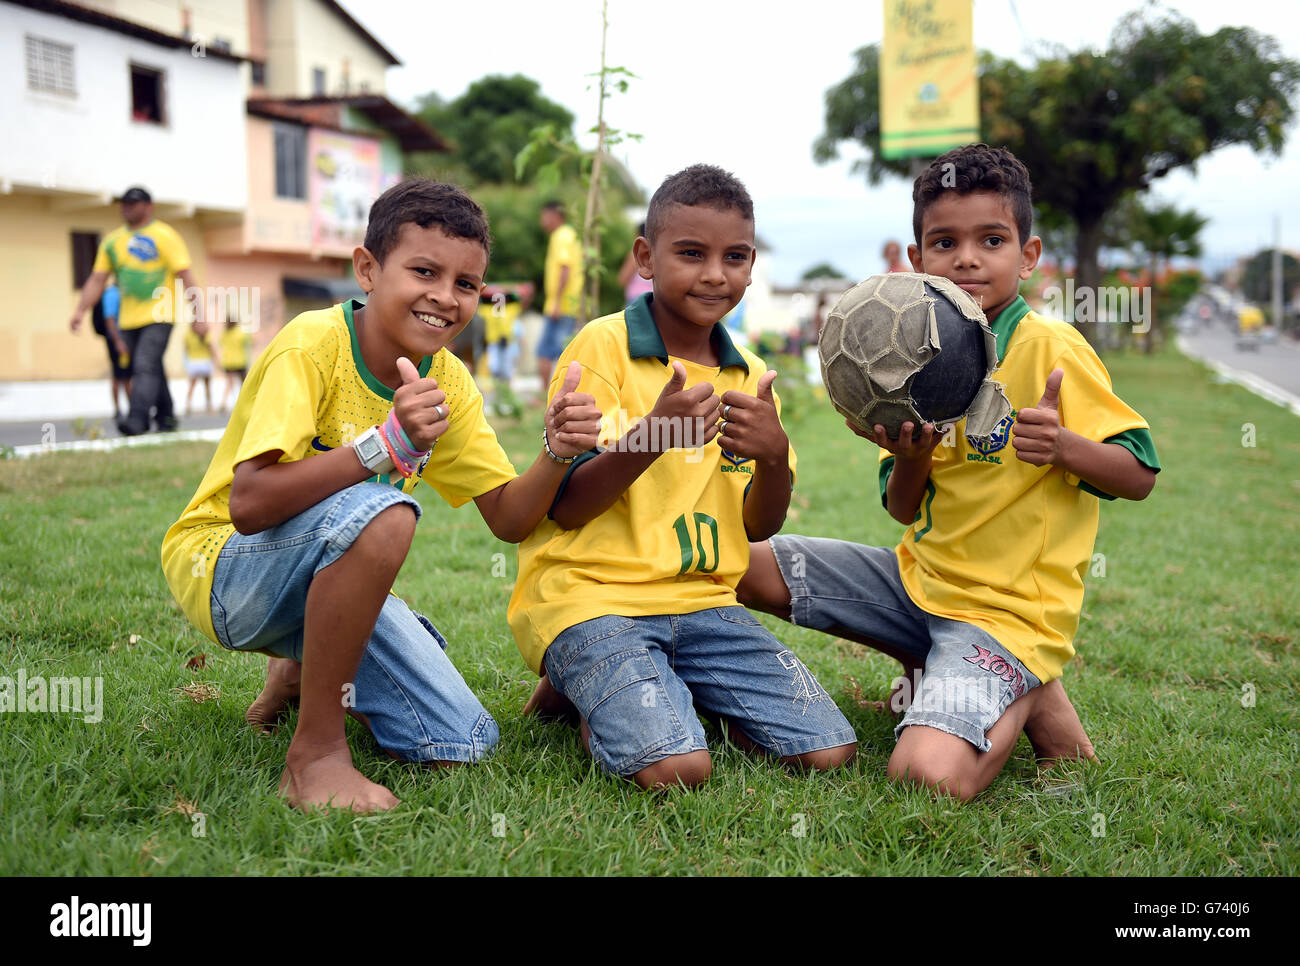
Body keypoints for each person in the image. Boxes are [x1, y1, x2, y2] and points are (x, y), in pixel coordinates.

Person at [160, 179, 601, 813]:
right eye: (424, 271)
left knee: (460, 740)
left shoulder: (447, 380)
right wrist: (382, 447)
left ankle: (300, 668)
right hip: (227, 568)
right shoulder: (311, 344)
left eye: (467, 284)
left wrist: (558, 451)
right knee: (385, 512)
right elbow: (249, 505)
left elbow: (508, 516)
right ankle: (314, 755)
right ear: (367, 268)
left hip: (320, 565)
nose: (444, 298)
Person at [739, 144, 1161, 801]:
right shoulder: (907, 354)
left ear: (1028, 255)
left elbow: (1138, 474)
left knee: (926, 776)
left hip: (1005, 614)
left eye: (991, 239)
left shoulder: (1051, 349)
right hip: (917, 584)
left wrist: (1064, 447)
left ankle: (1028, 695)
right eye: (944, 242)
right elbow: (902, 511)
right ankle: (937, 669)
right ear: (916, 262)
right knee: (734, 560)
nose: (966, 258)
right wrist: (912, 459)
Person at [513, 165, 857, 790]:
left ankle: (627, 687)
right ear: (646, 256)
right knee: (677, 768)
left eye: (735, 257)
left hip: (704, 605)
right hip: (592, 598)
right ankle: (596, 682)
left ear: (752, 266)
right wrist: (654, 434)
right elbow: (565, 507)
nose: (715, 275)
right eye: (691, 254)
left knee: (826, 752)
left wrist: (774, 455)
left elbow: (760, 525)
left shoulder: (750, 374)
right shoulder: (603, 347)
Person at [68, 186, 204, 435]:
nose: (126, 208)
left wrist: (200, 315)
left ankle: (137, 419)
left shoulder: (166, 236)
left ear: (149, 206)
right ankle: (167, 417)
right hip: (128, 319)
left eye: (133, 203)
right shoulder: (112, 241)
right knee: (149, 366)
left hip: (160, 314)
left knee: (144, 363)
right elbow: (97, 279)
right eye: (124, 203)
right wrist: (80, 310)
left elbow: (187, 277)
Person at [536, 200, 584, 394]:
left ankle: (547, 395)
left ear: (555, 215)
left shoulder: (560, 236)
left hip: (559, 305)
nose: (542, 220)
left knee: (546, 352)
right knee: (562, 352)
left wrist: (556, 301)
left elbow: (565, 268)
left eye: (544, 216)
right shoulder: (573, 235)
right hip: (569, 305)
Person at [96, 282, 132, 418]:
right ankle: (121, 409)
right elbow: (109, 318)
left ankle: (129, 409)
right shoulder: (112, 293)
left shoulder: (122, 291)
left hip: (122, 339)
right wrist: (118, 341)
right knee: (122, 376)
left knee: (124, 375)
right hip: (117, 340)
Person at [218, 313, 251, 412]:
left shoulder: (225, 333)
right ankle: (245, 402)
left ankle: (223, 402)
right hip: (240, 361)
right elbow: (248, 342)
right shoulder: (240, 332)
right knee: (244, 384)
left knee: (229, 383)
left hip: (228, 361)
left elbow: (221, 343)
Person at [617, 221, 655, 305]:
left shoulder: (637, 254)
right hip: (656, 300)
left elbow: (623, 279)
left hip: (637, 299)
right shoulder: (658, 253)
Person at [183, 319, 215, 414]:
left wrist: (186, 363)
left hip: (193, 363)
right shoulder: (206, 335)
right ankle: (209, 406)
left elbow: (186, 350)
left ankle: (188, 405)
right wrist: (216, 361)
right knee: (207, 386)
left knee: (192, 386)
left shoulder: (188, 335)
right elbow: (211, 349)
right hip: (205, 362)